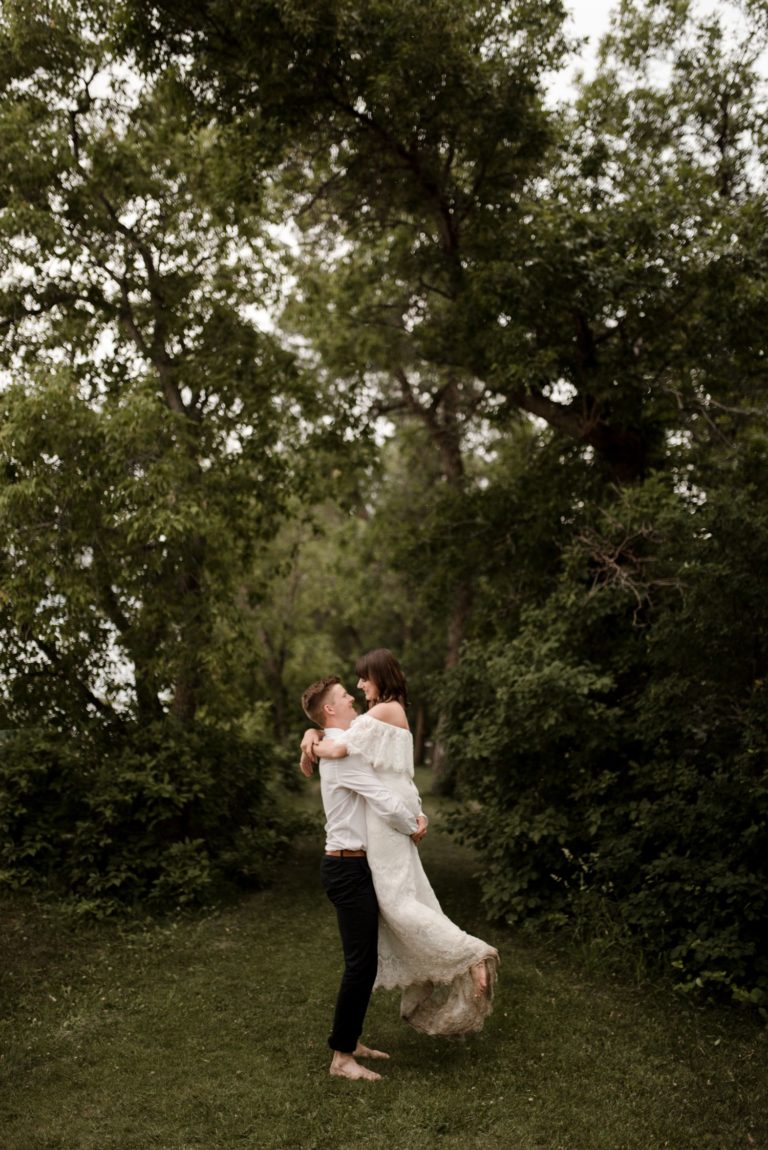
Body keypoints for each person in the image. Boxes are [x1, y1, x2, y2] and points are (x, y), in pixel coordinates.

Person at [301, 649, 498, 1042]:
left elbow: (341, 749)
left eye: (362, 679)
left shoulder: (379, 715)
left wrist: (312, 743)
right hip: (370, 838)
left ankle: (469, 954)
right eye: (347, 691)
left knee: (399, 906)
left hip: (379, 832)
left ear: (379, 676)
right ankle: (355, 1040)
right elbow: (354, 752)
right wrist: (313, 734)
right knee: (408, 904)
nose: (356, 690)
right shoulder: (382, 717)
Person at [300, 675, 429, 1082]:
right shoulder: (343, 756)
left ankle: (350, 1040)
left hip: (351, 866)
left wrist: (312, 734)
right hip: (346, 868)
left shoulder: (341, 743)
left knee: (364, 962)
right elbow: (382, 799)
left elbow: (369, 751)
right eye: (343, 696)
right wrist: (415, 824)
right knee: (360, 965)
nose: (352, 697)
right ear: (329, 710)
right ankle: (341, 1058)